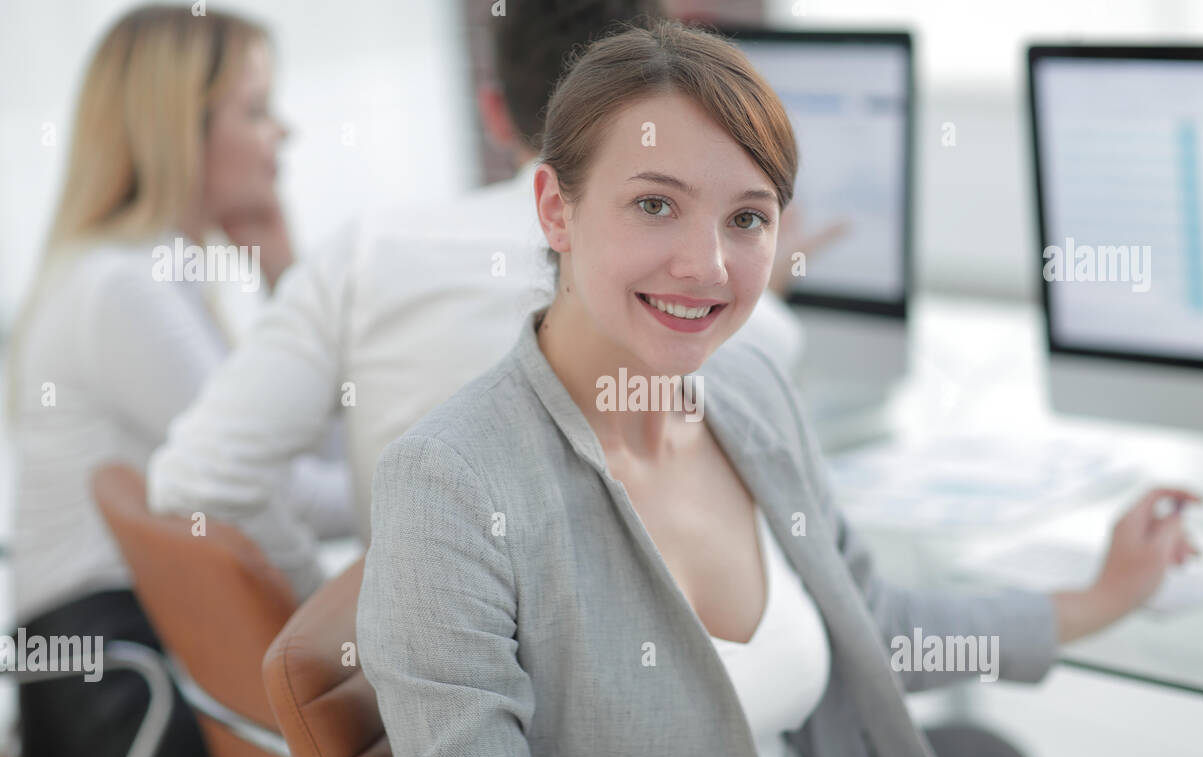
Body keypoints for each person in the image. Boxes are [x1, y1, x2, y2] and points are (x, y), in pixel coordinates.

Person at [356, 20, 1202, 757]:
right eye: (656, 205)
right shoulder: (452, 487)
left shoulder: (751, 390)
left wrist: (1095, 599)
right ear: (556, 209)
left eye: (747, 219)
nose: (707, 265)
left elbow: (870, 627)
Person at [146, 0, 806, 599]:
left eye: (748, 218)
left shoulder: (367, 250)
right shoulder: (728, 312)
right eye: (654, 205)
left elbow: (200, 480)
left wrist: (337, 617)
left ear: (493, 112)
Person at [5, 5, 351, 757]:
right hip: (120, 679)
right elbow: (288, 485)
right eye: (258, 111)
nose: (283, 135)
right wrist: (431, 502)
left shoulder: (151, 273)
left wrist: (285, 280)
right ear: (179, 130)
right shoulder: (126, 287)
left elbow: (315, 454)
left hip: (119, 663)